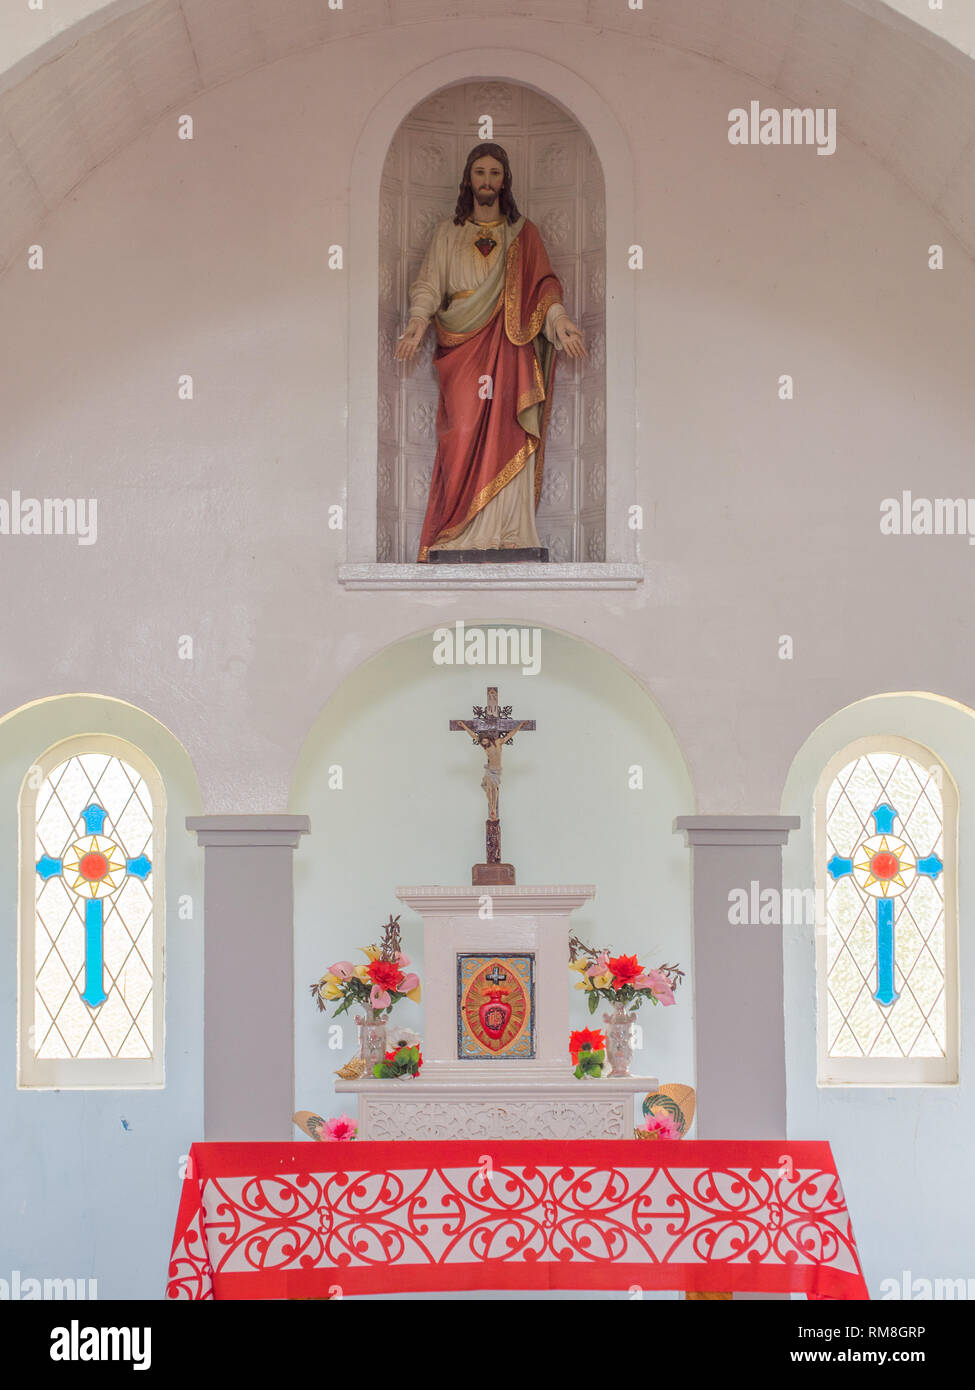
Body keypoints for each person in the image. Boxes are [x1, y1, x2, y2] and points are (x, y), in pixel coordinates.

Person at [394, 143, 587, 561]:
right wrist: (416, 322)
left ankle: (510, 532)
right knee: (462, 432)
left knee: (508, 428)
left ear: (505, 180)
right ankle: (459, 532)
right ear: (468, 179)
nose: (487, 181)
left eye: (494, 173)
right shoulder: (449, 232)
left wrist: (558, 321)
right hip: (462, 345)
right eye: (480, 172)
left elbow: (542, 287)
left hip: (509, 343)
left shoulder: (522, 233)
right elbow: (429, 284)